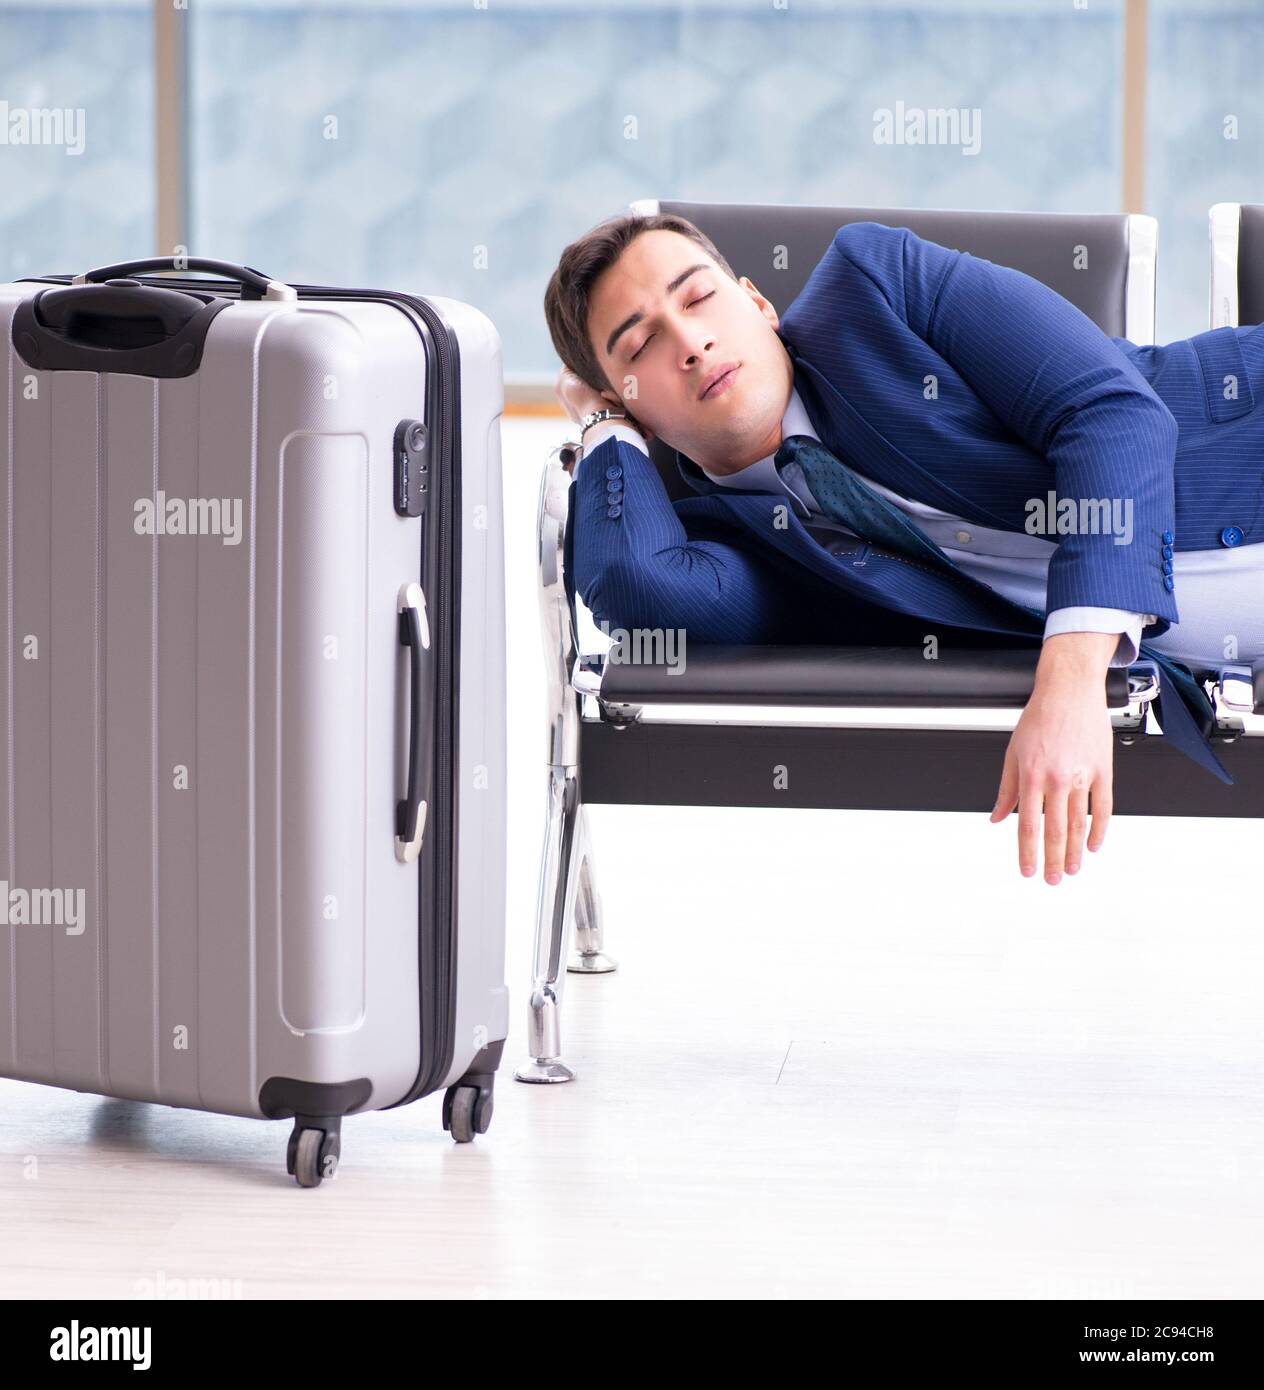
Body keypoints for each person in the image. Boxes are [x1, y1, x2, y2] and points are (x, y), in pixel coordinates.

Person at [543, 212, 1264, 884]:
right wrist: (603, 425)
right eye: (642, 347)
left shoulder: (874, 284)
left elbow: (1112, 415)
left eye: (698, 298)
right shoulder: (734, 538)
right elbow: (637, 584)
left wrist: (1072, 683)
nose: (692, 345)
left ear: (758, 303)